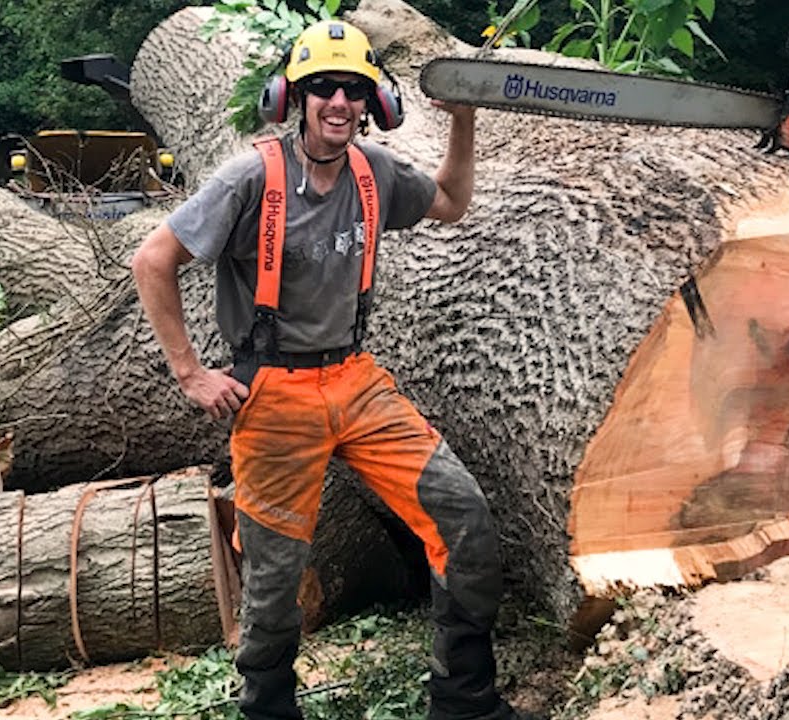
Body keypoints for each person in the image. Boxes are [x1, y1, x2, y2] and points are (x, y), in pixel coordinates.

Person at [132, 19, 527, 720]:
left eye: (354, 89)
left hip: (355, 379)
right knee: (276, 579)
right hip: (274, 392)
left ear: (376, 102)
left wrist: (463, 124)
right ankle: (268, 710)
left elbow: (452, 204)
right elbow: (153, 259)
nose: (339, 103)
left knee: (462, 517)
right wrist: (191, 373)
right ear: (293, 97)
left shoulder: (376, 173)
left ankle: (464, 701)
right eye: (324, 89)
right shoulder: (251, 176)